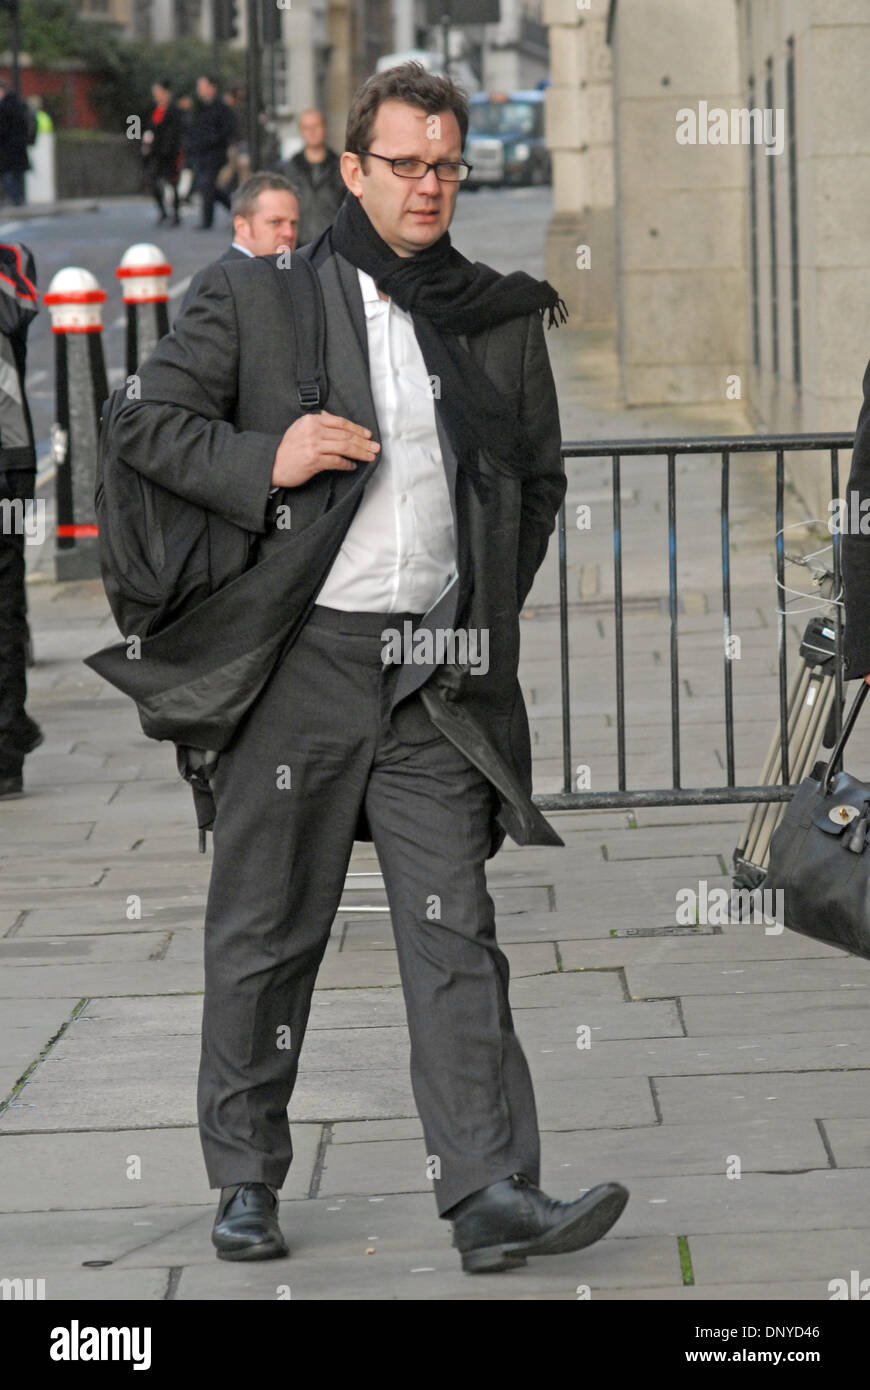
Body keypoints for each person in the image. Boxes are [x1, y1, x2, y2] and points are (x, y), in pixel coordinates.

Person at [107, 61, 628, 1273]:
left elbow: (536, 485)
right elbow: (142, 419)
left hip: (432, 675)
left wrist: (485, 601)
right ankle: (245, 1178)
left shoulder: (495, 317)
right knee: (267, 931)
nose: (432, 185)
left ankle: (491, 1187)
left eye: (447, 165)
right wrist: (268, 456)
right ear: (353, 171)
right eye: (408, 165)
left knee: (456, 931)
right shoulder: (263, 290)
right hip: (301, 659)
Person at [0, 241, 42, 798]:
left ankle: (7, 750)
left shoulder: (12, 260)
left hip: (7, 463)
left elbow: (15, 313)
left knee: (5, 609)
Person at [181, 172, 299, 309]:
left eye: (294, 223)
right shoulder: (218, 282)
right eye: (275, 222)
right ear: (241, 227)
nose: (289, 233)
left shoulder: (292, 273)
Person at [279, 106, 347, 247]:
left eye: (316, 126)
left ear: (324, 127)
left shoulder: (341, 167)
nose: (312, 132)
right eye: (306, 127)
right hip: (298, 247)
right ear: (301, 131)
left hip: (333, 247)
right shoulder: (289, 169)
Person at [187, 75, 237, 230]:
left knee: (207, 186)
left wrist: (213, 139)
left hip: (214, 154)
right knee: (208, 188)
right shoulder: (199, 107)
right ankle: (237, 211)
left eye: (202, 86)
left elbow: (228, 129)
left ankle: (207, 221)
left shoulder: (222, 107)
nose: (199, 90)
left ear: (212, 87)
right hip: (200, 153)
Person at [141, 79, 184, 227]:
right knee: (153, 182)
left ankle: (176, 214)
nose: (156, 95)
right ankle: (163, 211)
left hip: (169, 153)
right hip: (155, 153)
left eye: (158, 92)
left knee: (172, 183)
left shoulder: (174, 111)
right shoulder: (153, 110)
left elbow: (175, 133)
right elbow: (149, 129)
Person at [0, 84, 33, 207]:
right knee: (17, 173)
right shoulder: (20, 105)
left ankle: (13, 198)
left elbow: (3, 128)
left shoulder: (4, 107)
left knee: (7, 173)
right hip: (19, 145)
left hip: (7, 146)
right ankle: (18, 198)